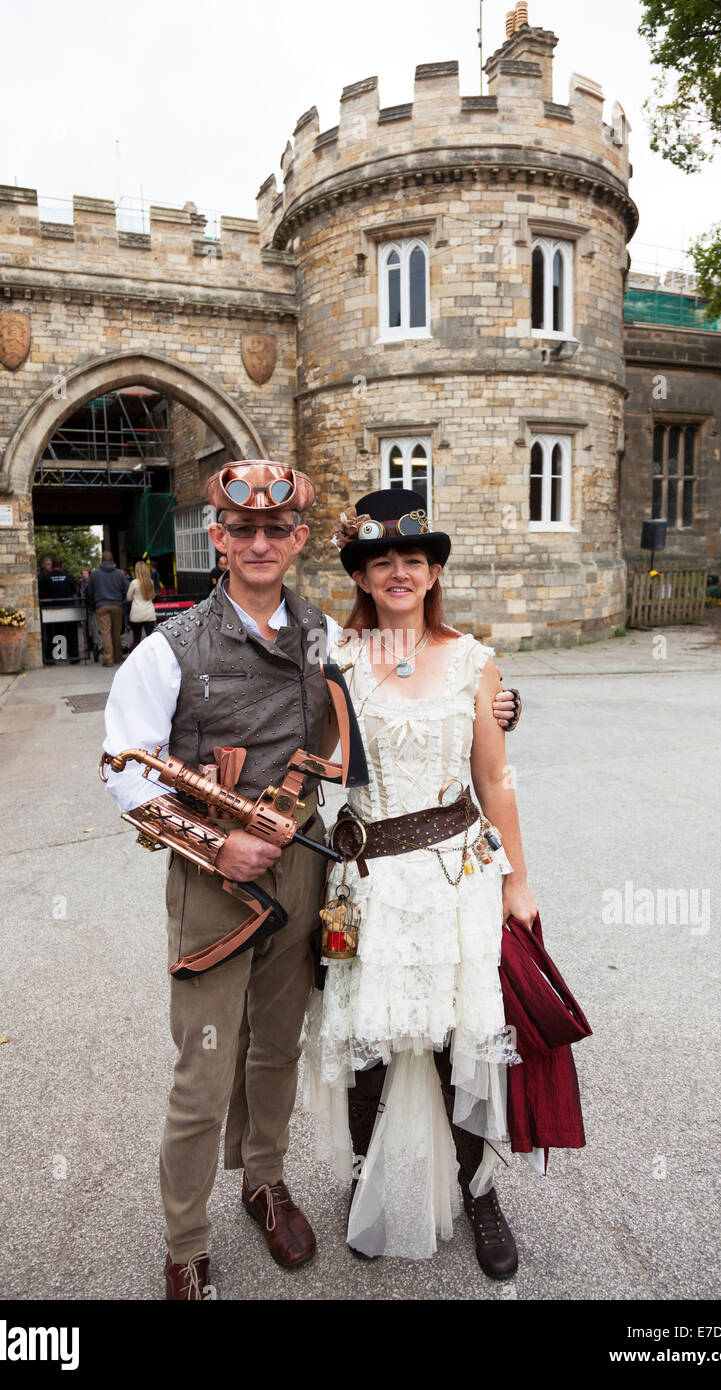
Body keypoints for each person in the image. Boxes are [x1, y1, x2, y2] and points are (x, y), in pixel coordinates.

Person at [100, 461, 521, 1300]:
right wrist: (213, 847)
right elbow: (123, 769)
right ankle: (186, 1246)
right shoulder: (166, 649)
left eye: (277, 531)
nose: (259, 543)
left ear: (297, 541)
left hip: (308, 864)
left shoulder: (325, 634)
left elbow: (424, 677)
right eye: (241, 529)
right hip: (213, 872)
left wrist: (505, 705)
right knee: (203, 1069)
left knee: (279, 1048)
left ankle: (265, 1181)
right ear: (216, 537)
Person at [304, 488, 538, 1277]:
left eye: (413, 559)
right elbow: (301, 746)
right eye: (381, 563)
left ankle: (479, 1191)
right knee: (370, 1036)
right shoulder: (336, 661)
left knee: (456, 1038)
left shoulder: (475, 660)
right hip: (369, 876)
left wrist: (518, 881)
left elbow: (496, 776)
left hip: (456, 872)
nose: (398, 573)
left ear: (433, 570)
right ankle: (371, 1172)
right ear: (363, 578)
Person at [87, 550, 129, 667]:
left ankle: (108, 659)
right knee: (116, 632)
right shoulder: (119, 573)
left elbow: (89, 591)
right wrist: (123, 599)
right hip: (117, 605)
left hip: (101, 606)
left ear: (101, 560)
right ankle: (118, 657)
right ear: (113, 560)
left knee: (105, 633)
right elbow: (126, 588)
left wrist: (92, 606)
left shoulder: (95, 574)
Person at [127, 559, 157, 647]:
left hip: (137, 614)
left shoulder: (134, 583)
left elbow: (128, 597)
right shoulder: (150, 582)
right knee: (150, 639)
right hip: (149, 613)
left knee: (136, 639)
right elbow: (152, 597)